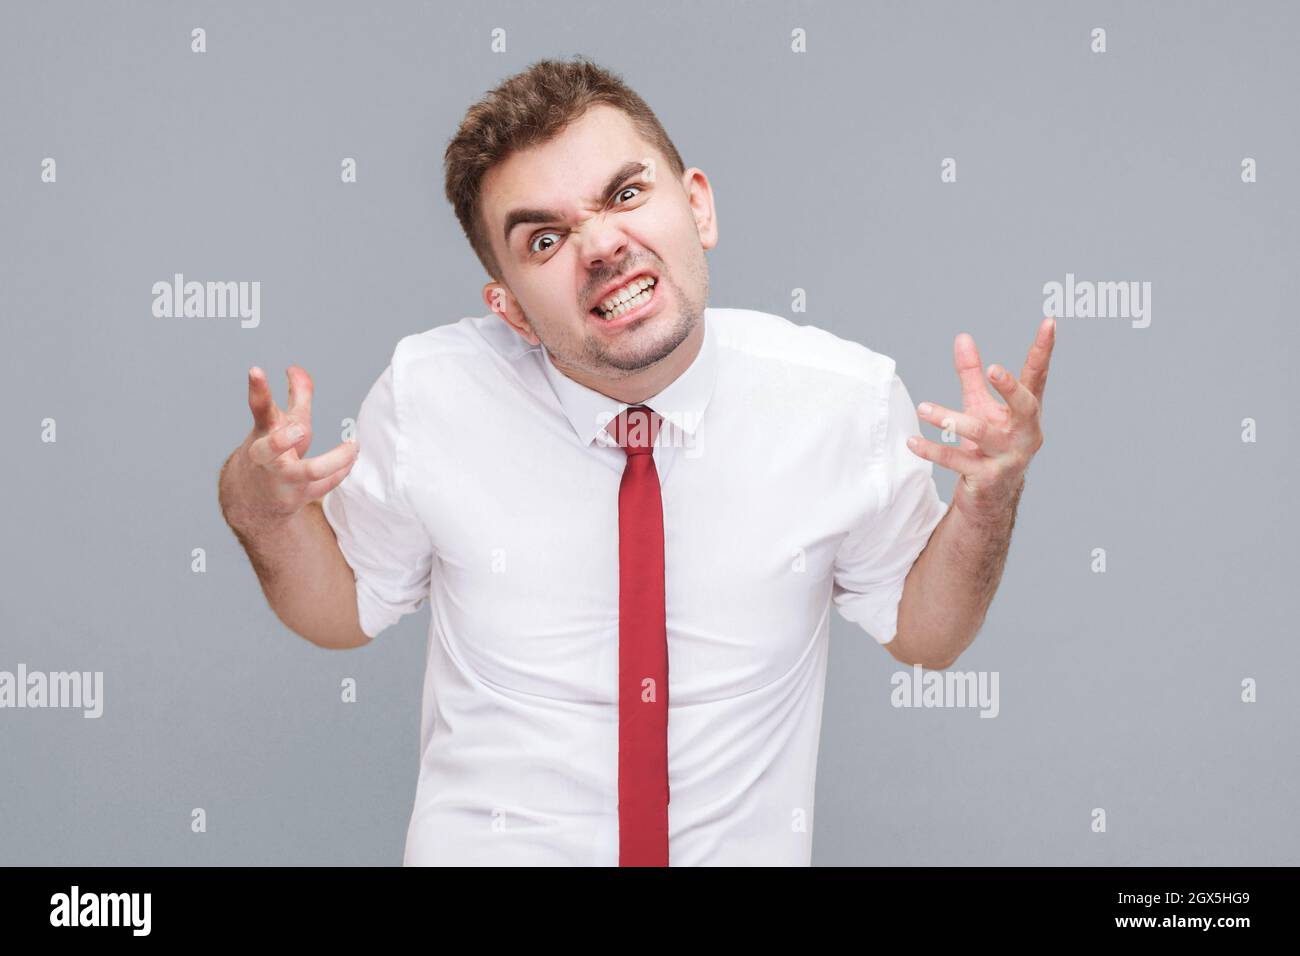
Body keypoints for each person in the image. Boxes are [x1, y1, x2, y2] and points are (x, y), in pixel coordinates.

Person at [217, 56, 1055, 866]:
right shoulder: (431, 395)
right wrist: (258, 508)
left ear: (698, 207)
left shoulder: (845, 400)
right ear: (507, 307)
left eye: (625, 194)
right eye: (544, 239)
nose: (601, 245)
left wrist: (988, 499)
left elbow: (926, 637)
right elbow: (341, 613)